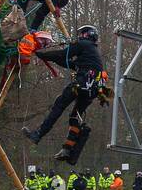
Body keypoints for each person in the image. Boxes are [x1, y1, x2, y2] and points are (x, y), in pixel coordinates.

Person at [22, 25, 108, 164]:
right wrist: (48, 57)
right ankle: (67, 149)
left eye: (81, 33)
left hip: (81, 84)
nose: (79, 36)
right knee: (74, 117)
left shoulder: (83, 44)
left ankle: (38, 134)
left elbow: (62, 54)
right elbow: (68, 63)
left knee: (59, 105)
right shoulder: (91, 53)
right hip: (92, 91)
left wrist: (40, 54)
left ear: (87, 34)